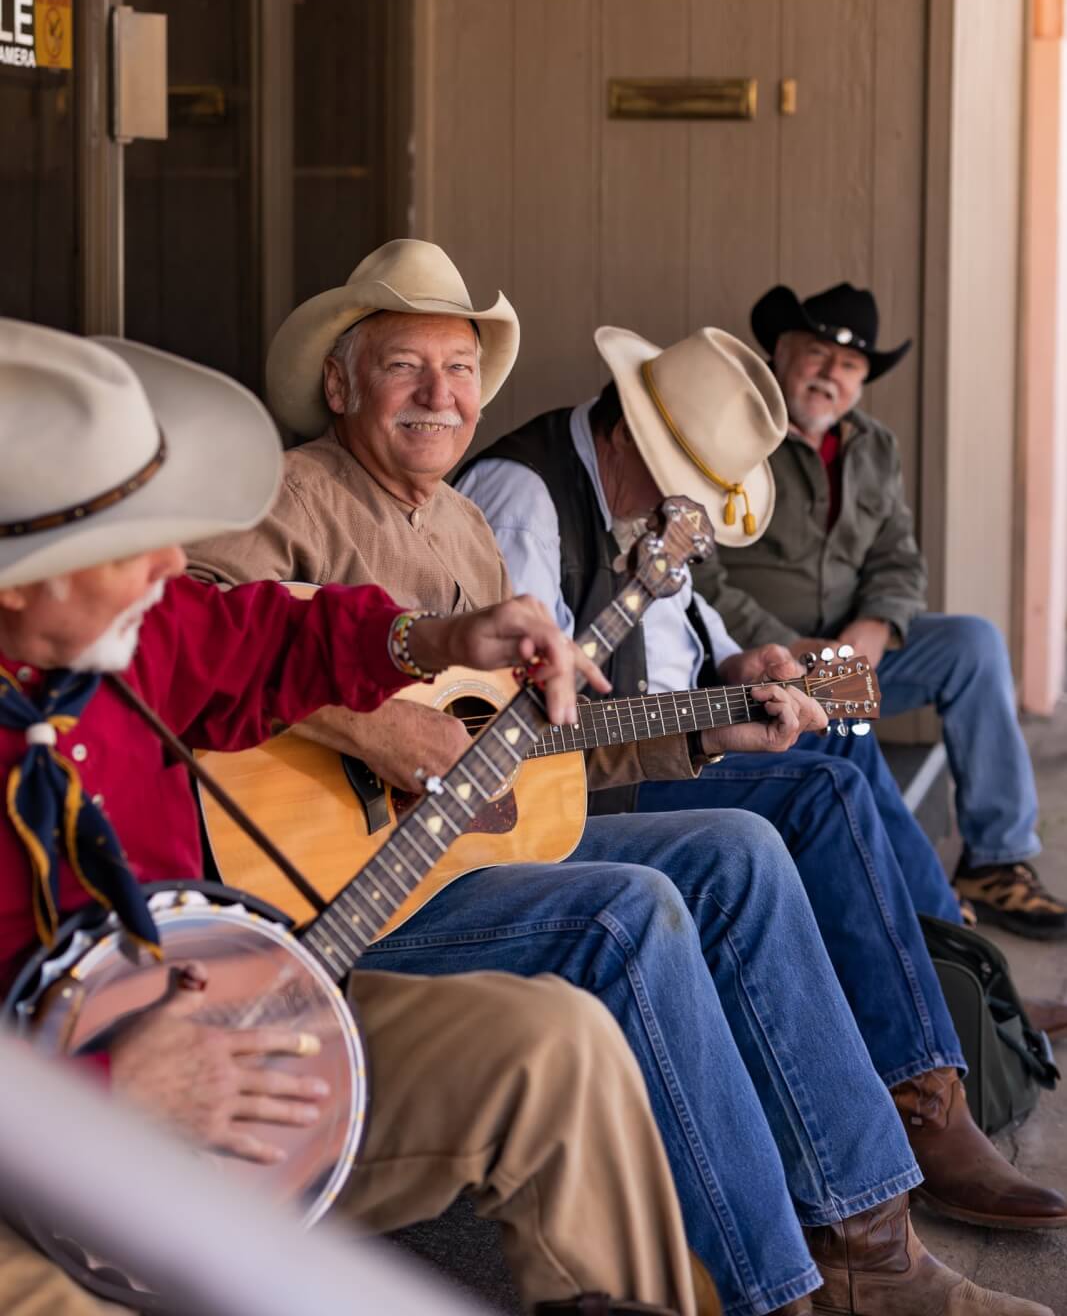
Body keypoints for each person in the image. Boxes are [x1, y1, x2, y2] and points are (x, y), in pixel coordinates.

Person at [191, 238, 1051, 1316]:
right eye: (405, 365)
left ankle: (868, 1246)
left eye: (459, 370)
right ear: (338, 380)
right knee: (628, 910)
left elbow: (539, 745)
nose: (439, 395)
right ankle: (773, 1290)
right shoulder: (288, 494)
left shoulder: (462, 527)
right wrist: (368, 725)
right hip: (336, 890)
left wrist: (707, 736)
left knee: (741, 846)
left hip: (467, 852)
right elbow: (179, 640)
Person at [0, 316, 712, 1316]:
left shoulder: (140, 631)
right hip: (32, 1166)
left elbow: (270, 636)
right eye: (128, 545)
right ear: (20, 573)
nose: (171, 565)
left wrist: (443, 636)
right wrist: (95, 1091)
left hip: (239, 1037)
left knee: (556, 1042)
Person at [458, 320, 1067, 1234]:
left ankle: (950, 991)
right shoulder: (525, 498)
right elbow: (539, 726)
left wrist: (744, 669)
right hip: (589, 782)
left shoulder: (649, 492)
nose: (693, 516)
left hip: (687, 715)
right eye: (684, 482)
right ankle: (924, 1101)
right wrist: (708, 723)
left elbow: (689, 619)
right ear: (627, 427)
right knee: (822, 793)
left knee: (843, 731)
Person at [688, 281, 1067, 943]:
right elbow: (697, 577)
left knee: (971, 644)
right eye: (815, 354)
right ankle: (915, 901)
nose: (830, 375)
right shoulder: (731, 436)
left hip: (848, 659)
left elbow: (898, 558)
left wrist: (877, 628)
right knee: (839, 751)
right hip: (756, 664)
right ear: (778, 352)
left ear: (862, 380)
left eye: (849, 366)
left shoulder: (872, 447)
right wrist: (785, 645)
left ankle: (996, 858)